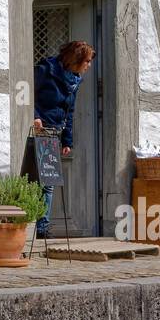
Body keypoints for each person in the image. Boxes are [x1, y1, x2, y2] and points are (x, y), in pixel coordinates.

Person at [25, 40, 95, 239]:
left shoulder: (74, 80)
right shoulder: (46, 69)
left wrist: (67, 140)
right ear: (76, 59)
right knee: (33, 181)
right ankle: (35, 225)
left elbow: (69, 111)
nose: (88, 65)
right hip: (39, 130)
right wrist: (35, 114)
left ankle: (42, 227)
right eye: (87, 61)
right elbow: (27, 92)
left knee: (48, 182)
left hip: (54, 133)